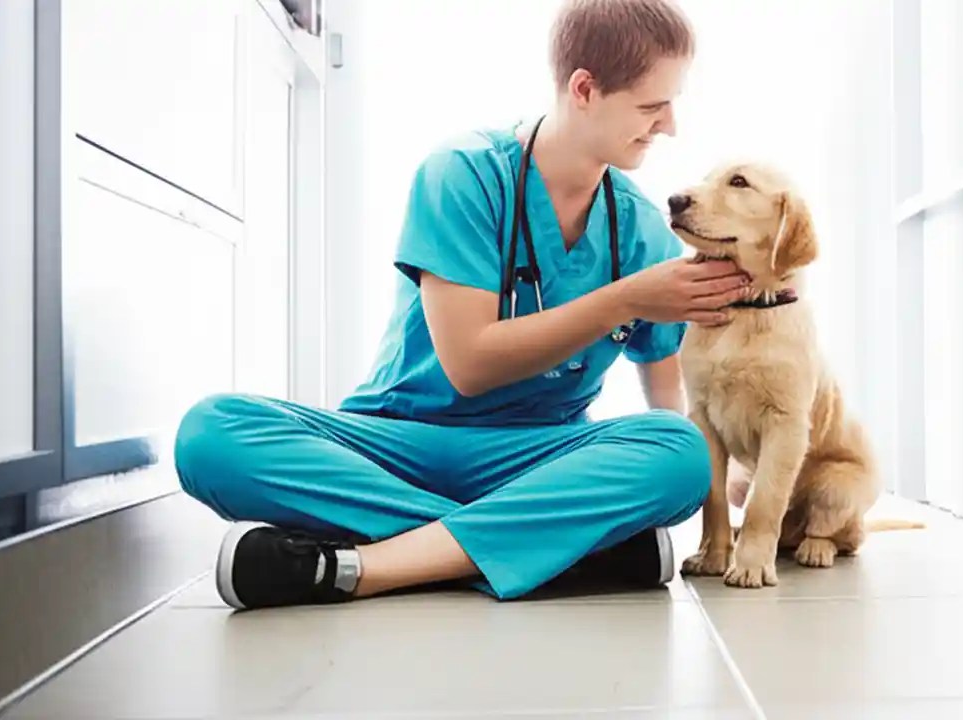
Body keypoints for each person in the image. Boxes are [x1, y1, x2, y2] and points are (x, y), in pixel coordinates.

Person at [172, 0, 754, 610]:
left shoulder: (639, 228)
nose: (669, 126)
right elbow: (468, 365)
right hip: (399, 445)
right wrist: (626, 299)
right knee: (209, 434)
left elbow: (672, 402)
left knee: (678, 454)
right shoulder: (462, 174)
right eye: (651, 106)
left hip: (534, 459)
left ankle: (367, 564)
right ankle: (563, 550)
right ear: (584, 88)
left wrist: (729, 478)